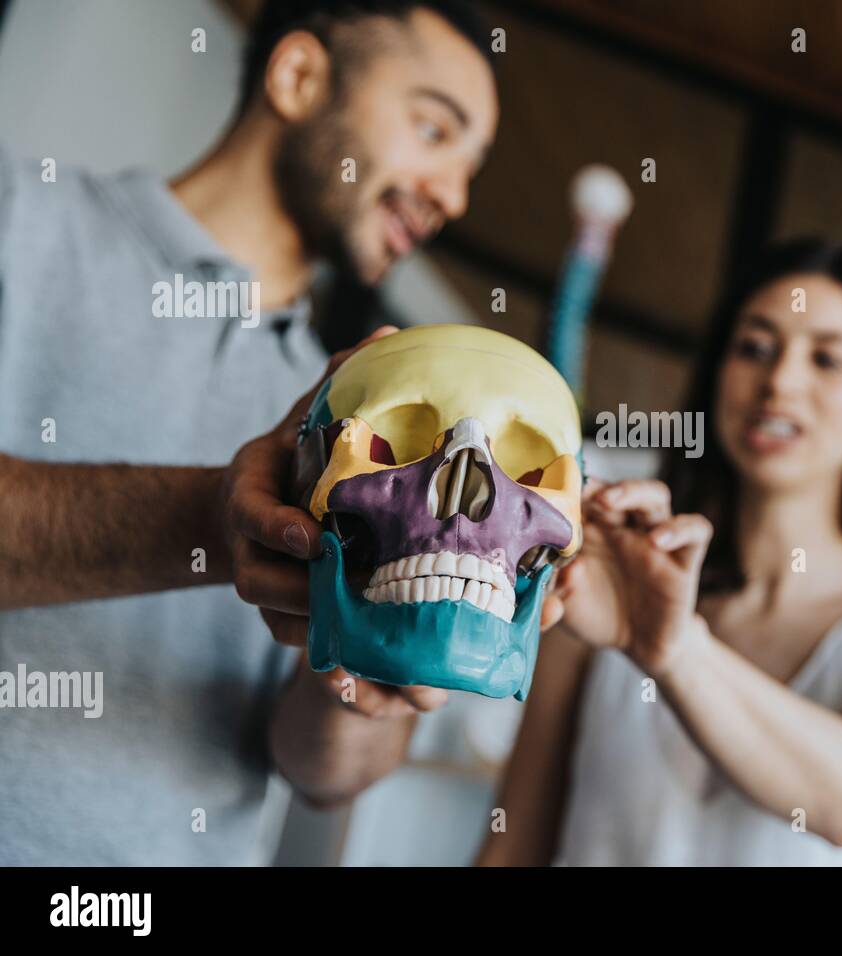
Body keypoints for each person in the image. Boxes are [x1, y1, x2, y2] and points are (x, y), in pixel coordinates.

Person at [0, 0, 497, 865]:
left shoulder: (350, 419)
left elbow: (314, 770)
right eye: (433, 128)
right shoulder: (20, 221)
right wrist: (223, 519)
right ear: (299, 76)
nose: (453, 196)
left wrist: (378, 669)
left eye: (471, 167)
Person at [478, 238, 842, 865]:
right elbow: (513, 850)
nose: (780, 381)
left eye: (827, 360)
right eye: (755, 348)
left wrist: (674, 651)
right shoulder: (606, 585)